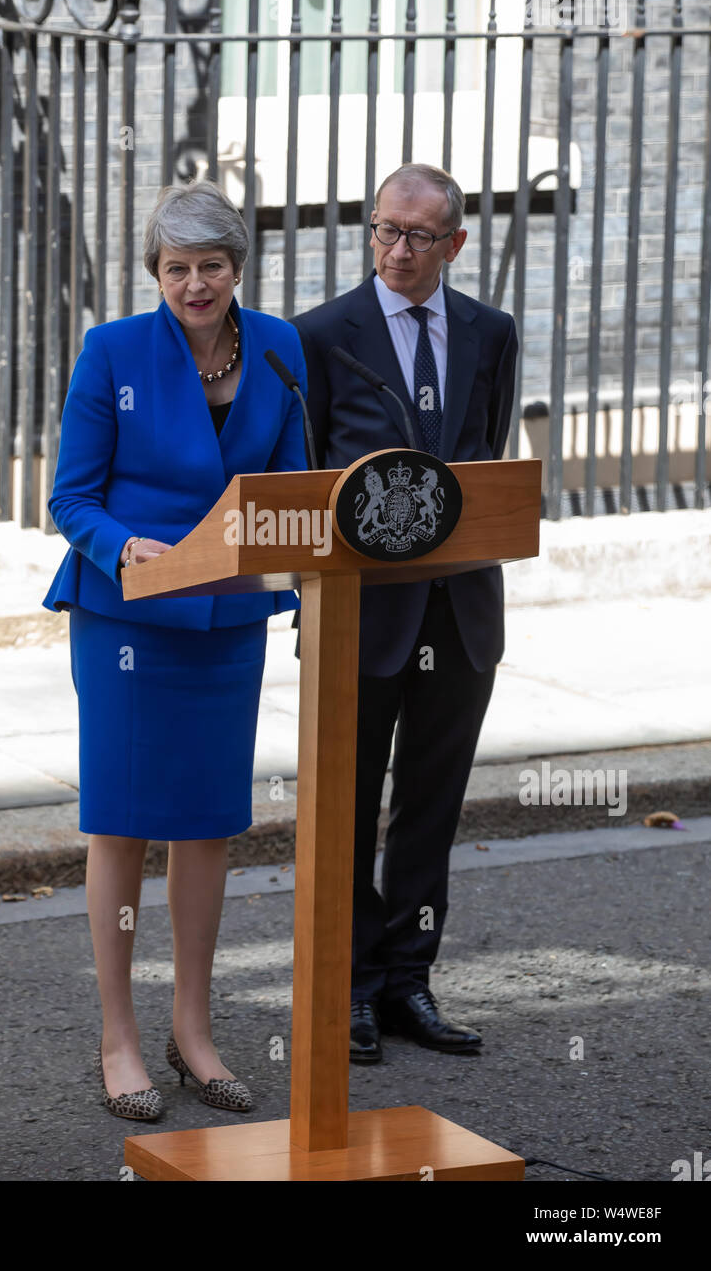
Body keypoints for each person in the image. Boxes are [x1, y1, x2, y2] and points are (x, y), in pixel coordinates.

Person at [42, 180, 309, 1119]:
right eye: (176, 268)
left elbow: (295, 485)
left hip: (229, 617)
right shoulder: (110, 350)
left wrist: (304, 573)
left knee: (206, 824)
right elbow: (70, 497)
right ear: (155, 272)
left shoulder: (278, 349)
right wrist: (121, 545)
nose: (195, 284)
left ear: (239, 268)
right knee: (120, 823)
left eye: (212, 266)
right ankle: (120, 1036)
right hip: (127, 619)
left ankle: (192, 1032)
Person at [292, 163, 518, 1064]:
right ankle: (346, 983)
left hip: (460, 611)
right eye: (384, 229)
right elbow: (307, 476)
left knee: (432, 806)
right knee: (344, 806)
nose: (395, 250)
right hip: (360, 613)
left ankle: (407, 982)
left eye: (418, 236)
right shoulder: (320, 335)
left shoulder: (489, 332)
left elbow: (484, 459)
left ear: (454, 244)